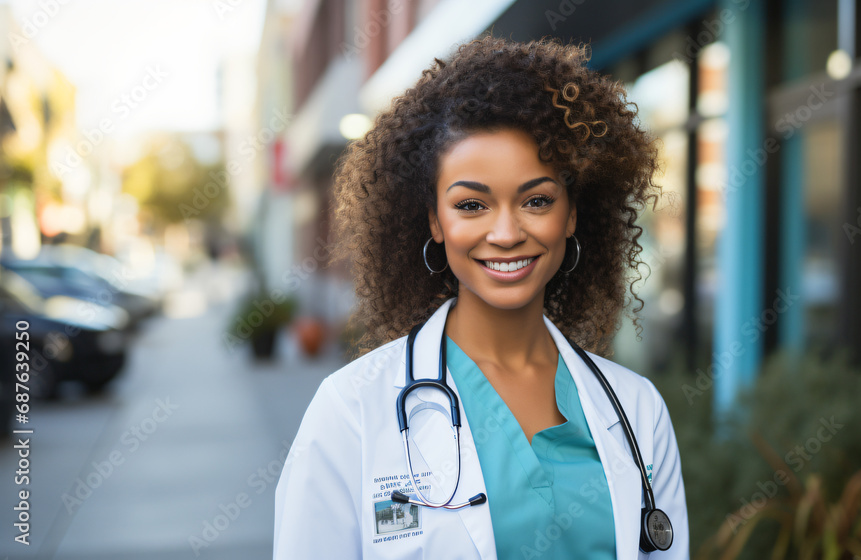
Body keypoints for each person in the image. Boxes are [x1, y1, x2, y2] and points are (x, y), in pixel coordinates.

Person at [273, 34, 689, 559]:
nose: (507, 233)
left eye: (537, 200)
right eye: (472, 205)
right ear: (435, 221)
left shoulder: (635, 409)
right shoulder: (351, 409)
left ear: (572, 215)